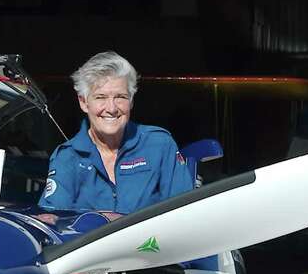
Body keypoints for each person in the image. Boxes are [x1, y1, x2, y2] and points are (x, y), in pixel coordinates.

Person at [38, 51, 193, 214]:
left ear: (131, 101)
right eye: (100, 97)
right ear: (83, 102)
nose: (111, 108)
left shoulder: (159, 144)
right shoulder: (67, 157)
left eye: (120, 97)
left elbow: (185, 213)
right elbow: (52, 220)